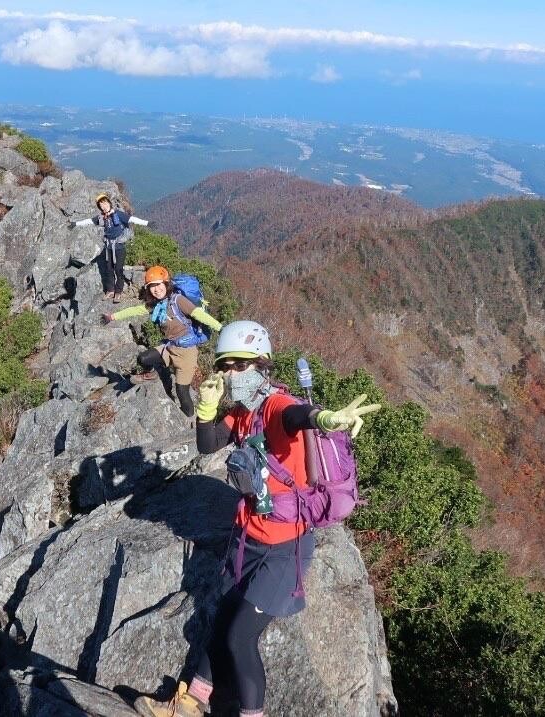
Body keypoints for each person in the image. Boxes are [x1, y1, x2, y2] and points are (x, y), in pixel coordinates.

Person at [134, 320, 380, 717]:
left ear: (262, 365)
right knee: (221, 620)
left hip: (285, 549)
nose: (232, 373)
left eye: (241, 365)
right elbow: (207, 443)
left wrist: (325, 419)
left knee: (238, 638)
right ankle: (190, 704)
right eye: (226, 365)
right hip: (247, 539)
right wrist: (207, 409)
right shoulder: (245, 415)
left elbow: (299, 415)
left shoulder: (274, 406)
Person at [103, 265, 222, 417]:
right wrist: (112, 317)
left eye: (158, 284)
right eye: (152, 286)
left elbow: (198, 314)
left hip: (186, 352)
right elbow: (135, 310)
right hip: (169, 347)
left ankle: (190, 420)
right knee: (143, 358)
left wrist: (220, 327)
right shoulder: (157, 305)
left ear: (166, 284)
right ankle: (154, 373)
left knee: (182, 392)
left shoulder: (178, 300)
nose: (156, 289)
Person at [73, 192, 149, 302]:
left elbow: (132, 219)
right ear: (99, 207)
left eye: (105, 202)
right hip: (108, 247)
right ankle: (110, 290)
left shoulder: (118, 214)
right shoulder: (102, 217)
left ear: (109, 203)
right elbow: (89, 221)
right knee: (109, 269)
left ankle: (118, 292)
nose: (103, 206)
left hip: (119, 247)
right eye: (101, 204)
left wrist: (147, 223)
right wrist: (75, 224)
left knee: (118, 269)